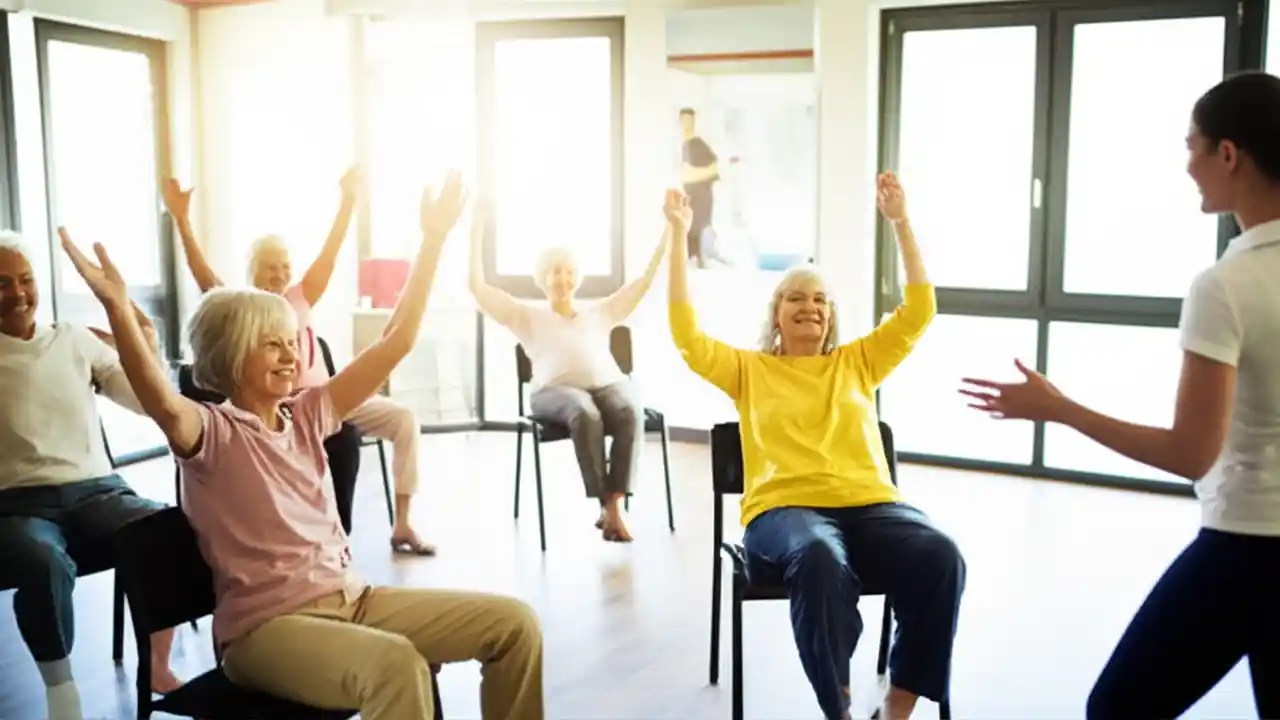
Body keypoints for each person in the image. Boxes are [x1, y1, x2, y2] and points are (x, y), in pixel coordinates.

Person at [59, 173, 544, 720]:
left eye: (293, 342)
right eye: (273, 344)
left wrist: (431, 241)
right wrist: (120, 309)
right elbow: (162, 401)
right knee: (397, 666)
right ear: (232, 353)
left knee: (513, 625)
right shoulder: (211, 433)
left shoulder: (310, 414)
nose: (291, 355)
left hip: (354, 601)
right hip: (265, 634)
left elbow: (397, 341)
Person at [961, 71, 1280, 720]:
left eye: (1191, 146)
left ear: (1227, 154)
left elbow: (1192, 453)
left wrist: (1060, 409)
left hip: (1248, 547)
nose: (1187, 165)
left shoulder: (1228, 284)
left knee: (1118, 707)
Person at [667, 176, 964, 720]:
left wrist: (900, 223)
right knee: (821, 556)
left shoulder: (859, 361)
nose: (811, 307)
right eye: (797, 298)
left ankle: (898, 708)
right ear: (776, 314)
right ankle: (841, 707)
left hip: (872, 508)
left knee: (940, 554)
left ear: (831, 316)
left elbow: (920, 309)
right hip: (784, 515)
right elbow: (686, 334)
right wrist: (677, 238)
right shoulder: (749, 370)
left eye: (821, 299)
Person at [164, 168, 434, 555]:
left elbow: (330, 253)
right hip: (291, 412)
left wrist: (347, 203)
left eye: (284, 267)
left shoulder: (299, 298)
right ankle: (331, 536)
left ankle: (399, 524)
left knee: (401, 419)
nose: (279, 274)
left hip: (328, 399)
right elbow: (203, 276)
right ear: (252, 271)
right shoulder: (240, 309)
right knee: (343, 440)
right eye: (269, 266)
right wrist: (182, 222)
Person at [0, 231, 179, 720]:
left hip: (97, 493)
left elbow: (148, 403)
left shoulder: (74, 340)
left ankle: (158, 667)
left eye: (26, 280)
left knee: (170, 530)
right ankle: (63, 697)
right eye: (1, 283)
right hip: (17, 505)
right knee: (44, 562)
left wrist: (148, 348)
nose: (17, 293)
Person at [468, 201, 667, 542]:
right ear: (542, 280)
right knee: (584, 413)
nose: (562, 278)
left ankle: (614, 506)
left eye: (568, 271)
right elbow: (478, 288)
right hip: (553, 392)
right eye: (554, 272)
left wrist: (669, 229)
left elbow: (645, 281)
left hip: (607, 384)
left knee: (629, 409)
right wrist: (476, 230)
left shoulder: (599, 312)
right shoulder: (526, 316)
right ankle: (610, 508)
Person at [680, 107, 720, 268]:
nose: (686, 124)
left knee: (699, 226)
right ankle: (693, 258)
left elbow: (714, 168)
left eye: (689, 120)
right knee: (689, 227)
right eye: (683, 120)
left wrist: (694, 175)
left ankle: (701, 259)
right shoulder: (681, 145)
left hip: (701, 195)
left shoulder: (698, 144)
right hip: (688, 195)